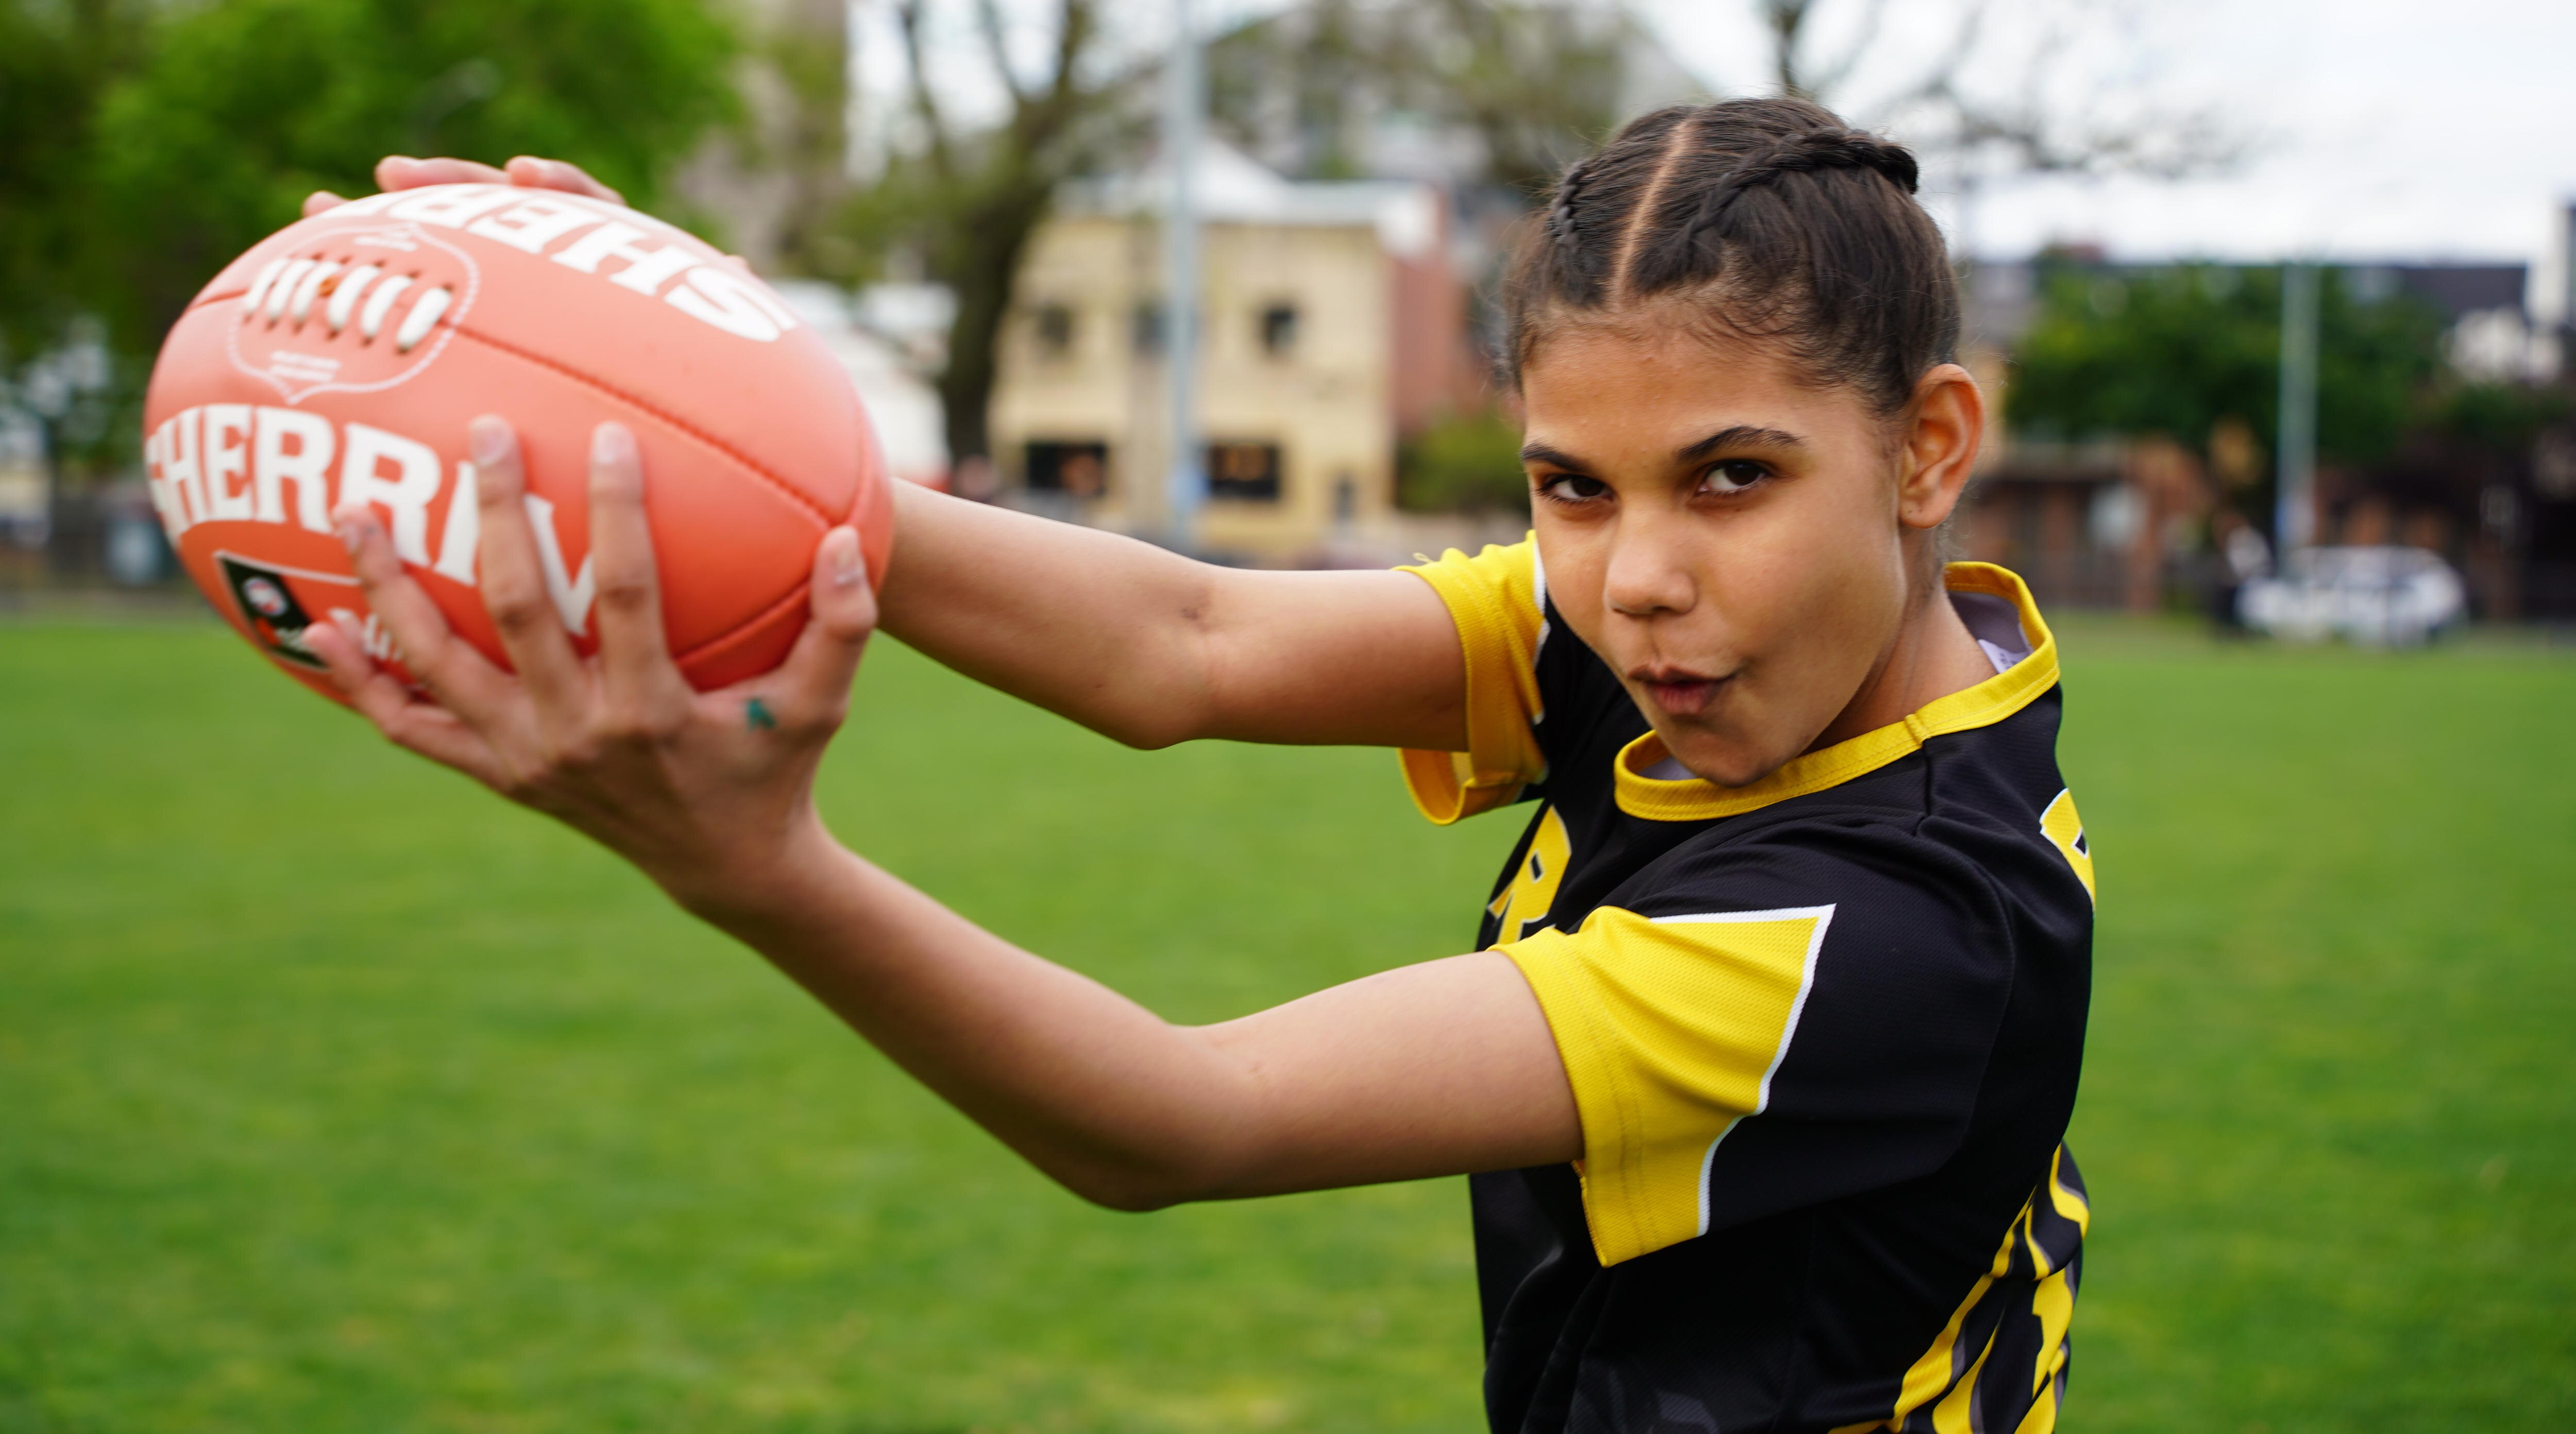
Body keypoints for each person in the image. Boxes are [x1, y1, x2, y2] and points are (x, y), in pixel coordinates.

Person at [303, 98, 2095, 1434]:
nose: (1638, 577)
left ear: (1931, 446)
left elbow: (1180, 1118)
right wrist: (732, 405)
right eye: (1571, 485)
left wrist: (755, 867)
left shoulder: (1891, 933)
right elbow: (1189, 650)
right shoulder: (1736, 647)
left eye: (1732, 476)